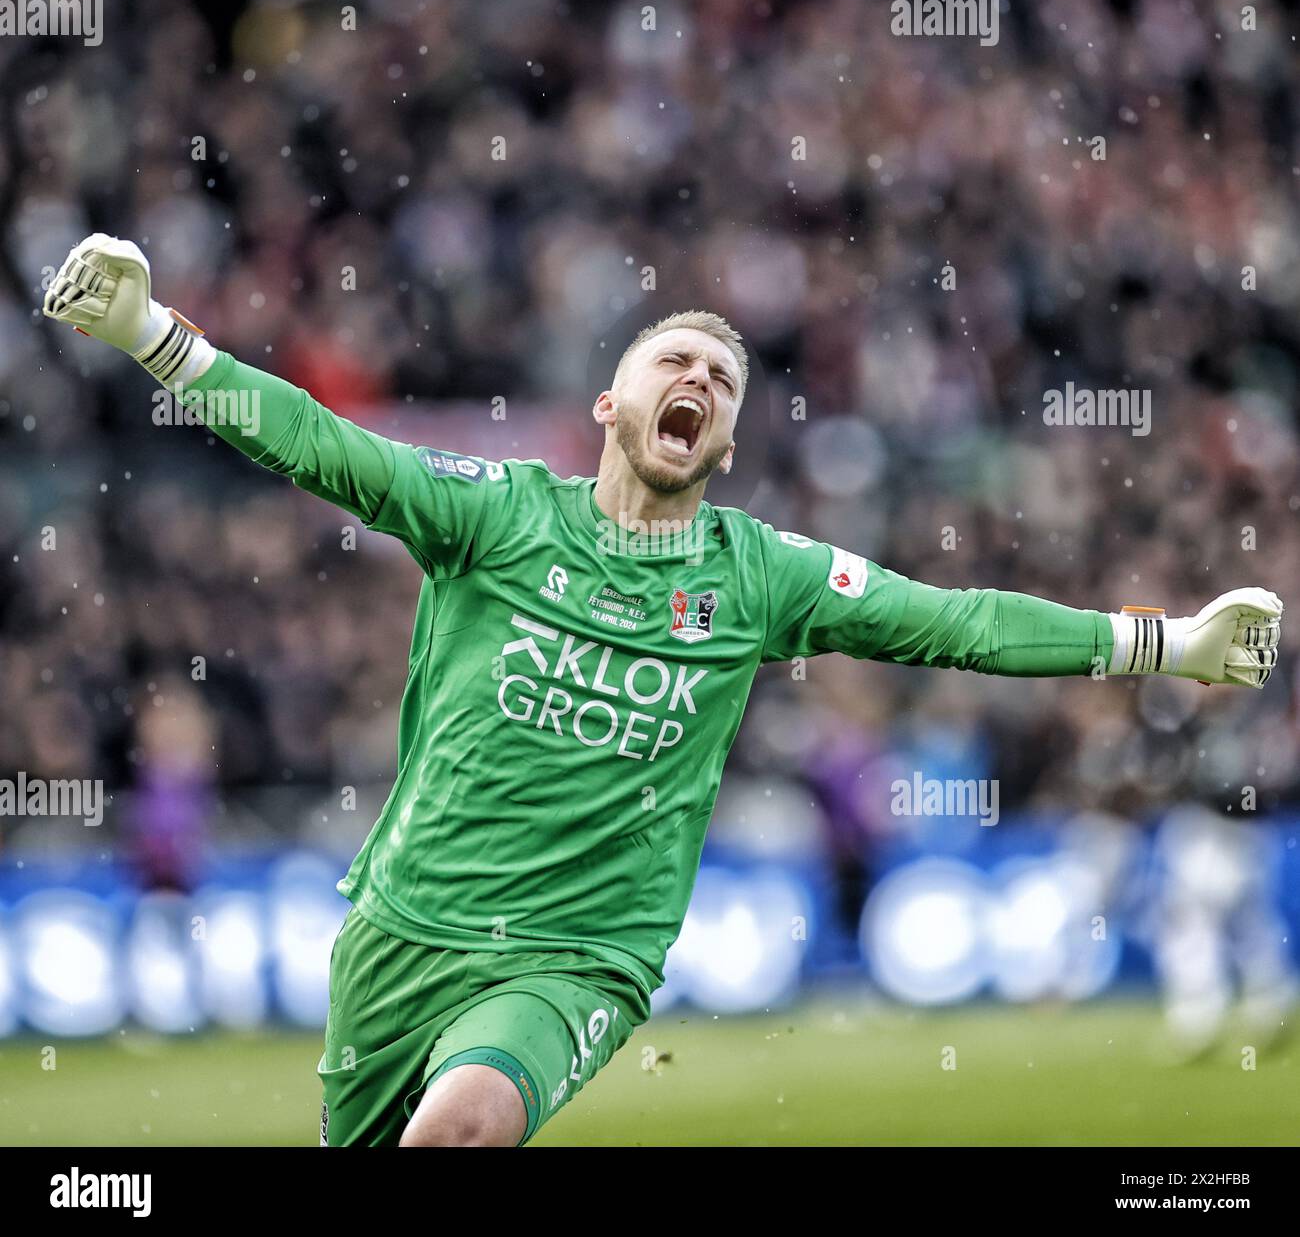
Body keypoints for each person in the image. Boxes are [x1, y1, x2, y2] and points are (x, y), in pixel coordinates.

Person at [43, 234, 1284, 1146]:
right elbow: (316, 441)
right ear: (610, 404)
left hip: (577, 957)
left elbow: (954, 620)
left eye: (720, 379)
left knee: (461, 1128)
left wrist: (1165, 643)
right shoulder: (494, 513)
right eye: (671, 358)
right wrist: (161, 337)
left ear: (726, 441)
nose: (696, 376)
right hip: (401, 931)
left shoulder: (759, 573)